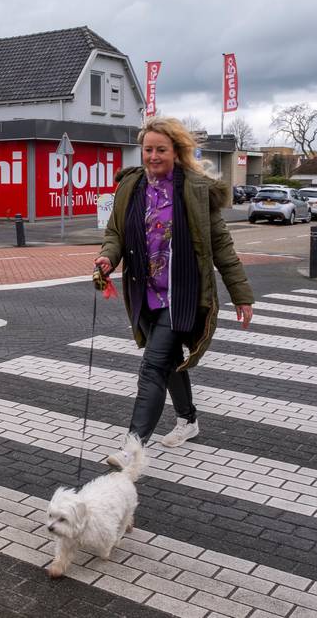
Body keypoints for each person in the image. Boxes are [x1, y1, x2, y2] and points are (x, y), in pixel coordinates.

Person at [94, 117, 255, 460]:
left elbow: (221, 246)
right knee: (167, 362)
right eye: (148, 149)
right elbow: (115, 234)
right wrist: (107, 259)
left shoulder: (195, 189)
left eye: (160, 150)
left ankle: (132, 448)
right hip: (145, 292)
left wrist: (241, 295)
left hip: (180, 294)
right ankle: (188, 420)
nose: (153, 156)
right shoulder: (131, 187)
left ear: (177, 152)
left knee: (151, 366)